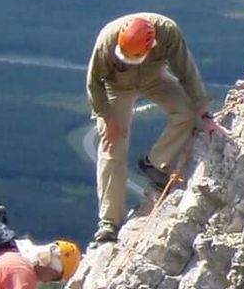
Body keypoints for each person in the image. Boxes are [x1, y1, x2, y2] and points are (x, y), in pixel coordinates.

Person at [87, 13, 214, 246]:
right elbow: (93, 82)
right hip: (117, 86)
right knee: (112, 146)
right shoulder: (108, 38)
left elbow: (187, 72)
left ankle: (154, 163)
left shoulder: (168, 33)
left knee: (187, 112)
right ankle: (109, 223)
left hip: (154, 78)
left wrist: (205, 114)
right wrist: (107, 117)